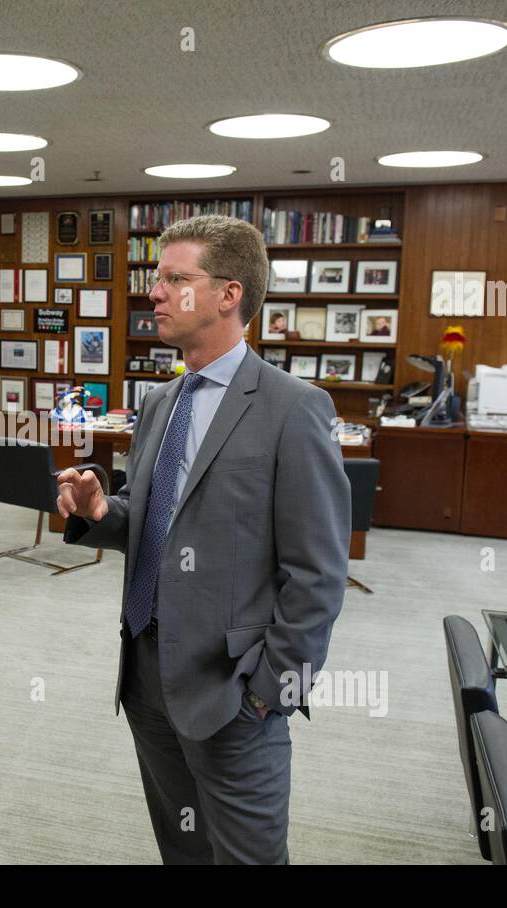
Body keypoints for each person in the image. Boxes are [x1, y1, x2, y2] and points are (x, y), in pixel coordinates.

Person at [57, 215, 350, 864]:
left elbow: (318, 575)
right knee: (182, 848)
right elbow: (152, 513)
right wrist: (101, 509)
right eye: (155, 279)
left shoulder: (295, 409)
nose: (154, 292)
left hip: (234, 692)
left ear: (228, 294)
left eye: (174, 279)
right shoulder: (161, 402)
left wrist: (271, 691)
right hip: (145, 675)